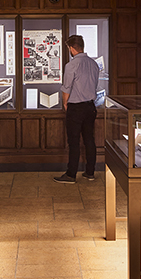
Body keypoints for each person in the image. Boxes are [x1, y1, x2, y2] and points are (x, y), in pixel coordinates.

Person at [54, 35, 100, 183]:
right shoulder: (93, 64)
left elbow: (67, 88)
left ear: (72, 49)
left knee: (74, 142)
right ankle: (90, 172)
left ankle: (71, 174)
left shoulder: (71, 65)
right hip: (90, 106)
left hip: (76, 107)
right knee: (89, 140)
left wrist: (65, 103)